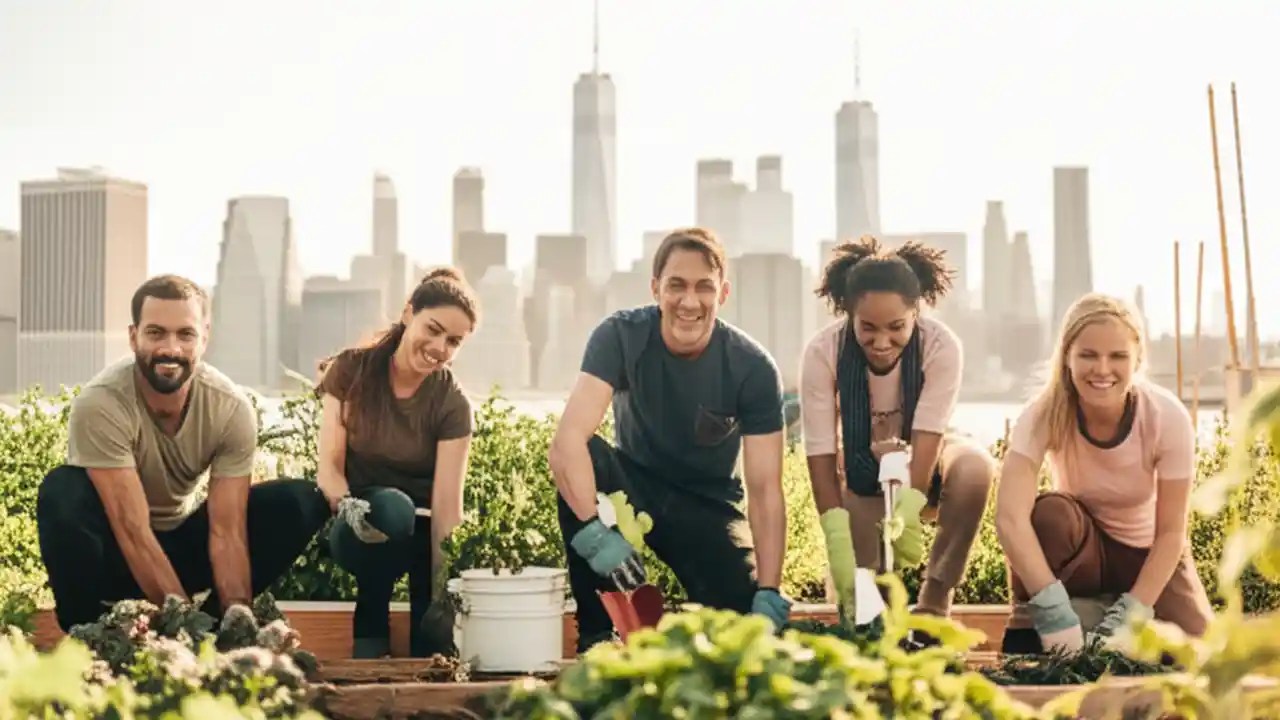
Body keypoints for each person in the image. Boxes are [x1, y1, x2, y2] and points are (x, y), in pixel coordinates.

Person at [36, 274, 330, 632]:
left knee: (300, 501)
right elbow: (132, 530)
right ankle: (90, 633)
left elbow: (228, 531)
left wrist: (236, 609)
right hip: (114, 554)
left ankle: (225, 627)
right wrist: (183, 624)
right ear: (133, 337)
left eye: (185, 334)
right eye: (156, 333)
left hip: (182, 549)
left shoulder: (230, 408)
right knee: (62, 490)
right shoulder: (102, 403)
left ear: (204, 338)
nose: (170, 348)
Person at [548, 227, 791, 653]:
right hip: (634, 488)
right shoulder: (620, 336)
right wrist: (594, 534)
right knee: (586, 454)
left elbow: (766, 489)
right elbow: (568, 441)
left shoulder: (752, 367)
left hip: (709, 510)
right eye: (676, 285)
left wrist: (769, 589)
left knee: (746, 631)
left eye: (704, 288)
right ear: (656, 287)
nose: (689, 301)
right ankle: (596, 636)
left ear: (723, 293)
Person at [996, 293, 1213, 654]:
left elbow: (1172, 534)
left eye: (1117, 356)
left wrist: (1132, 613)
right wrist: (1053, 610)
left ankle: (1104, 610)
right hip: (1087, 552)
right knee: (1048, 515)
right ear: (1067, 356)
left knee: (1200, 656)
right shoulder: (1041, 415)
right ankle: (1032, 625)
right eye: (1088, 355)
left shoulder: (1166, 417)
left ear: (1137, 359)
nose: (1102, 369)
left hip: (1148, 553)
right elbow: (1009, 518)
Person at [800, 236, 995, 634]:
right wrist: (836, 536)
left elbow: (928, 436)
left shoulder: (941, 346)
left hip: (924, 460)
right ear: (848, 313)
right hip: (860, 467)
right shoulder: (823, 352)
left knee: (975, 469)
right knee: (870, 616)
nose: (882, 342)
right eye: (867, 328)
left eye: (897, 327)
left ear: (915, 312)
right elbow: (820, 455)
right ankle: (856, 593)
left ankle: (934, 604)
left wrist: (907, 511)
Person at [315, 268, 478, 658]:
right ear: (408, 314)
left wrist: (446, 591)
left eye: (453, 341)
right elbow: (329, 467)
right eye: (433, 329)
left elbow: (445, 509)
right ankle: (369, 647)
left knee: (432, 629)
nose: (440, 347)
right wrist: (349, 508)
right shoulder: (352, 370)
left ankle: (429, 661)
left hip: (420, 533)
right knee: (390, 510)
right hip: (361, 523)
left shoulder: (453, 405)